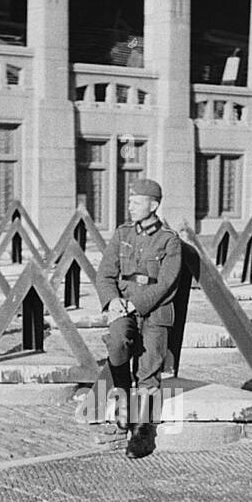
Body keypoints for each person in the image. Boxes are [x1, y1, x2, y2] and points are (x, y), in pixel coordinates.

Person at [94, 178, 183, 459]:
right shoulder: (122, 234)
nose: (130, 206)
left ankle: (143, 432)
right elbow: (105, 273)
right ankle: (122, 400)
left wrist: (134, 304)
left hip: (156, 310)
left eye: (136, 201)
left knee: (149, 370)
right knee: (117, 343)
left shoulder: (170, 240)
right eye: (130, 201)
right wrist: (113, 301)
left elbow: (166, 283)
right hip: (123, 305)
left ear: (153, 205)